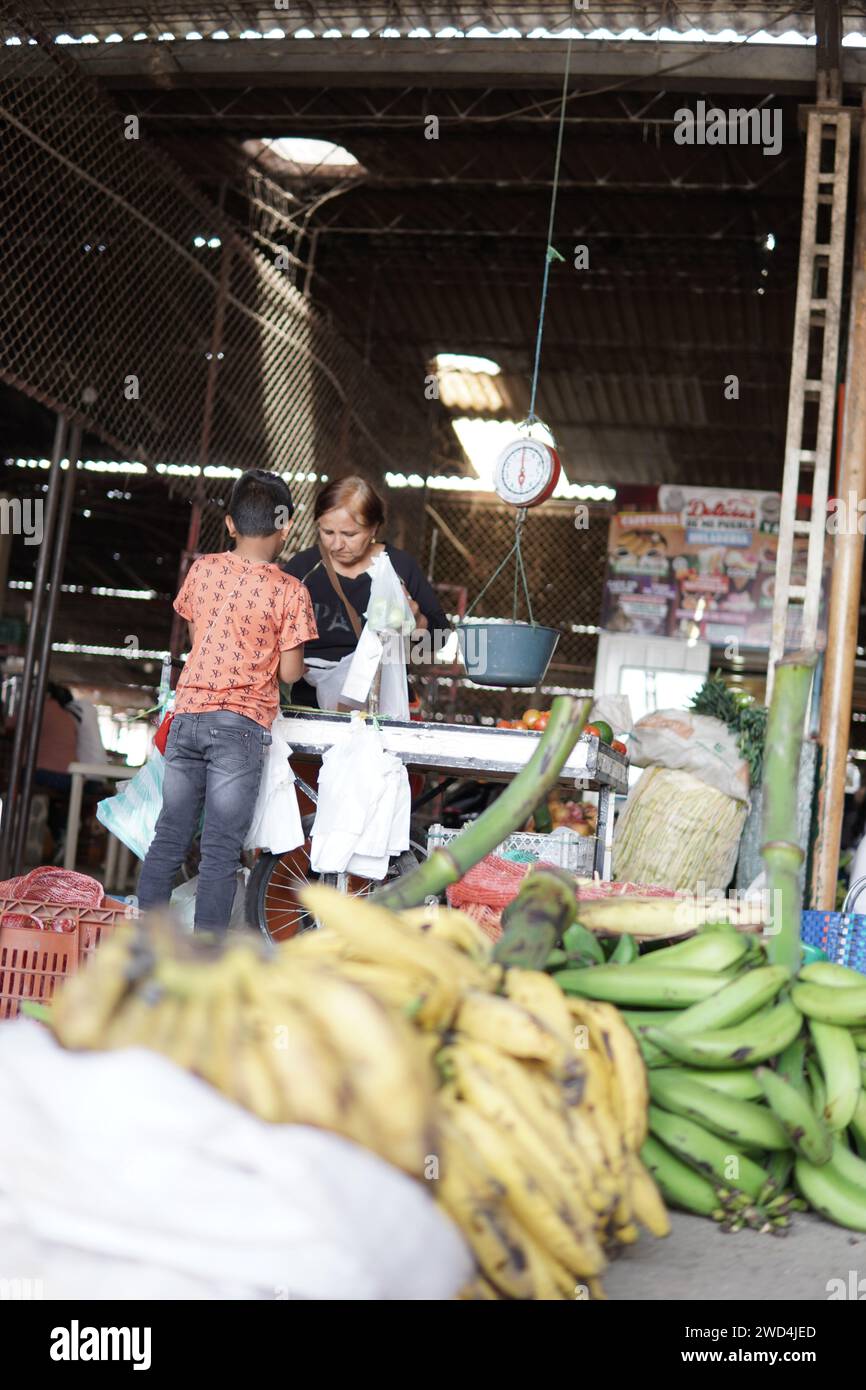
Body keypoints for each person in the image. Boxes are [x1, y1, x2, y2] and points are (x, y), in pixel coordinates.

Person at [137, 470, 317, 931]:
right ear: (286, 527)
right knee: (219, 850)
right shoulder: (290, 591)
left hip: (189, 718)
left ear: (231, 524)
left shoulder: (204, 570)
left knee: (170, 837)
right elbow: (291, 672)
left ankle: (145, 948)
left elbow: (199, 638)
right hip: (239, 729)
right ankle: (205, 962)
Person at [282, 475, 450, 711]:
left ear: (374, 527)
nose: (336, 545)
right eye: (328, 532)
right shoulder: (303, 568)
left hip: (378, 703)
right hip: (307, 704)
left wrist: (418, 621)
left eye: (349, 535)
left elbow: (441, 637)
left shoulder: (398, 567)